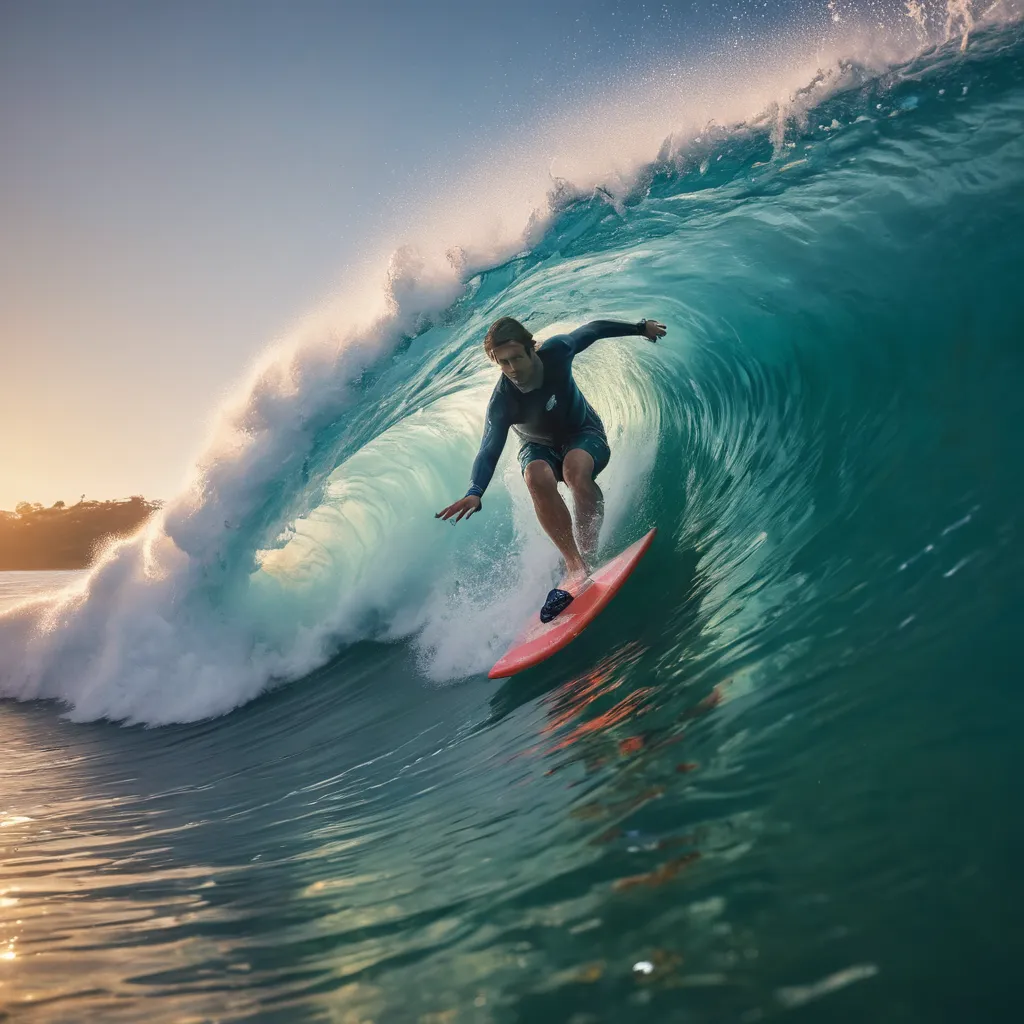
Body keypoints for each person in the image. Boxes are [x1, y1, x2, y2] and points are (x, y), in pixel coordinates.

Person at [436, 314, 667, 621]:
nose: (513, 369)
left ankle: (587, 554)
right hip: (538, 446)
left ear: (532, 348)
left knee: (574, 469)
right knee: (535, 475)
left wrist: (640, 328)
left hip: (583, 433)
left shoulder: (557, 352)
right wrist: (475, 491)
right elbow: (489, 447)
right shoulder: (503, 402)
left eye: (517, 358)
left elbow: (593, 330)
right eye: (503, 362)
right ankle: (574, 566)